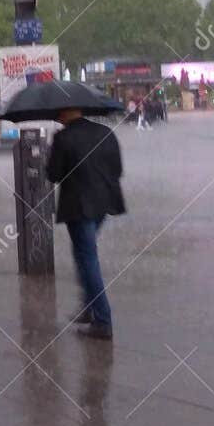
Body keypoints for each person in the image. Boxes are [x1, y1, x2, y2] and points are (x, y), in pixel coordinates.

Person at [45, 107, 126, 342]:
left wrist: (52, 157)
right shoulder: (105, 132)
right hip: (105, 203)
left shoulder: (63, 138)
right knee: (83, 254)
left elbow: (53, 175)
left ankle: (103, 320)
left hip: (79, 207)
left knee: (87, 257)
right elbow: (117, 169)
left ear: (63, 114)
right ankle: (89, 307)